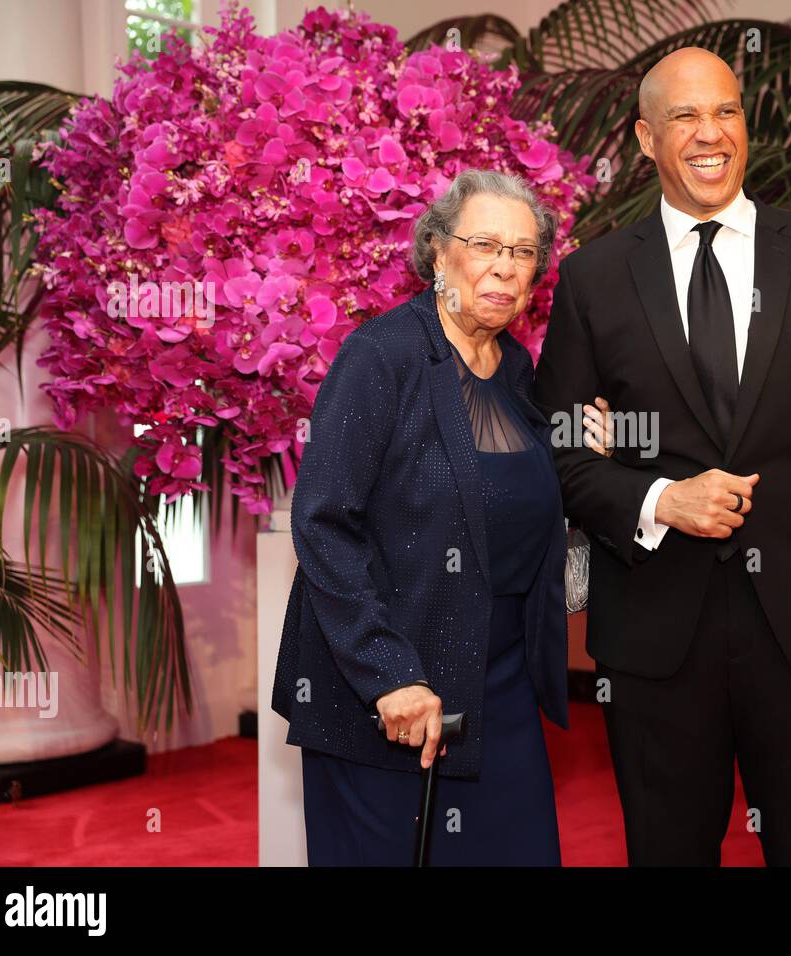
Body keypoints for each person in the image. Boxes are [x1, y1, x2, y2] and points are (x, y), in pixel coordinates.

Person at [533, 47, 791, 865]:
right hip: (653, 638)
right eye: (684, 116)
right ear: (646, 138)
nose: (710, 133)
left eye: (726, 112)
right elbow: (560, 452)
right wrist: (657, 501)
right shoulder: (592, 278)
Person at [271, 169, 581, 866]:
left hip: (498, 683)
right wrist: (389, 675)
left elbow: (517, 504)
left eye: (525, 251)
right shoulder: (381, 357)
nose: (506, 265)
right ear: (439, 253)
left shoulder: (515, 369)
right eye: (486, 244)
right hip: (389, 693)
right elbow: (323, 521)